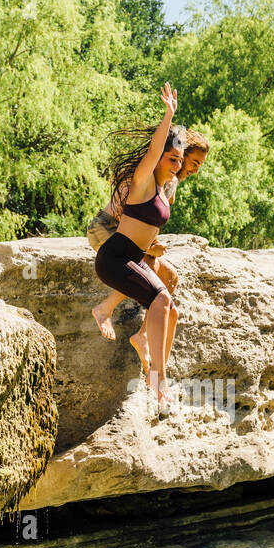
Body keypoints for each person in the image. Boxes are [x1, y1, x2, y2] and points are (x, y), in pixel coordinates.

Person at [92, 83, 186, 409]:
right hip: (114, 257)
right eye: (172, 158)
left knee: (170, 309)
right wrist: (169, 115)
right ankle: (159, 381)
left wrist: (153, 246)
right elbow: (154, 149)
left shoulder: (164, 188)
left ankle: (157, 373)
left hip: (132, 258)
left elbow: (147, 228)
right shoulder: (144, 180)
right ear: (160, 157)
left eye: (180, 160)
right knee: (160, 299)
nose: (177, 165)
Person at [88, 129, 209, 369]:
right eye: (192, 162)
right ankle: (105, 308)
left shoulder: (170, 183)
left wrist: (153, 243)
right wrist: (149, 248)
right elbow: (129, 216)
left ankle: (143, 336)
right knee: (148, 265)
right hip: (107, 229)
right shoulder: (148, 175)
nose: (194, 169)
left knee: (171, 278)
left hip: (130, 240)